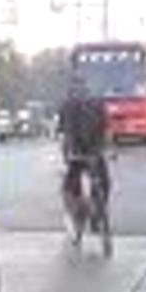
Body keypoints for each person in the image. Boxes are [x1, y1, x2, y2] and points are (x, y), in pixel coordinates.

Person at [57, 75, 111, 213]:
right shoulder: (98, 103)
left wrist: (65, 154)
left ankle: (78, 209)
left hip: (75, 150)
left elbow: (62, 133)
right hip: (95, 149)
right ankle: (98, 212)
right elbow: (106, 129)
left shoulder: (66, 105)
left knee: (70, 184)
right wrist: (107, 149)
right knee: (103, 182)